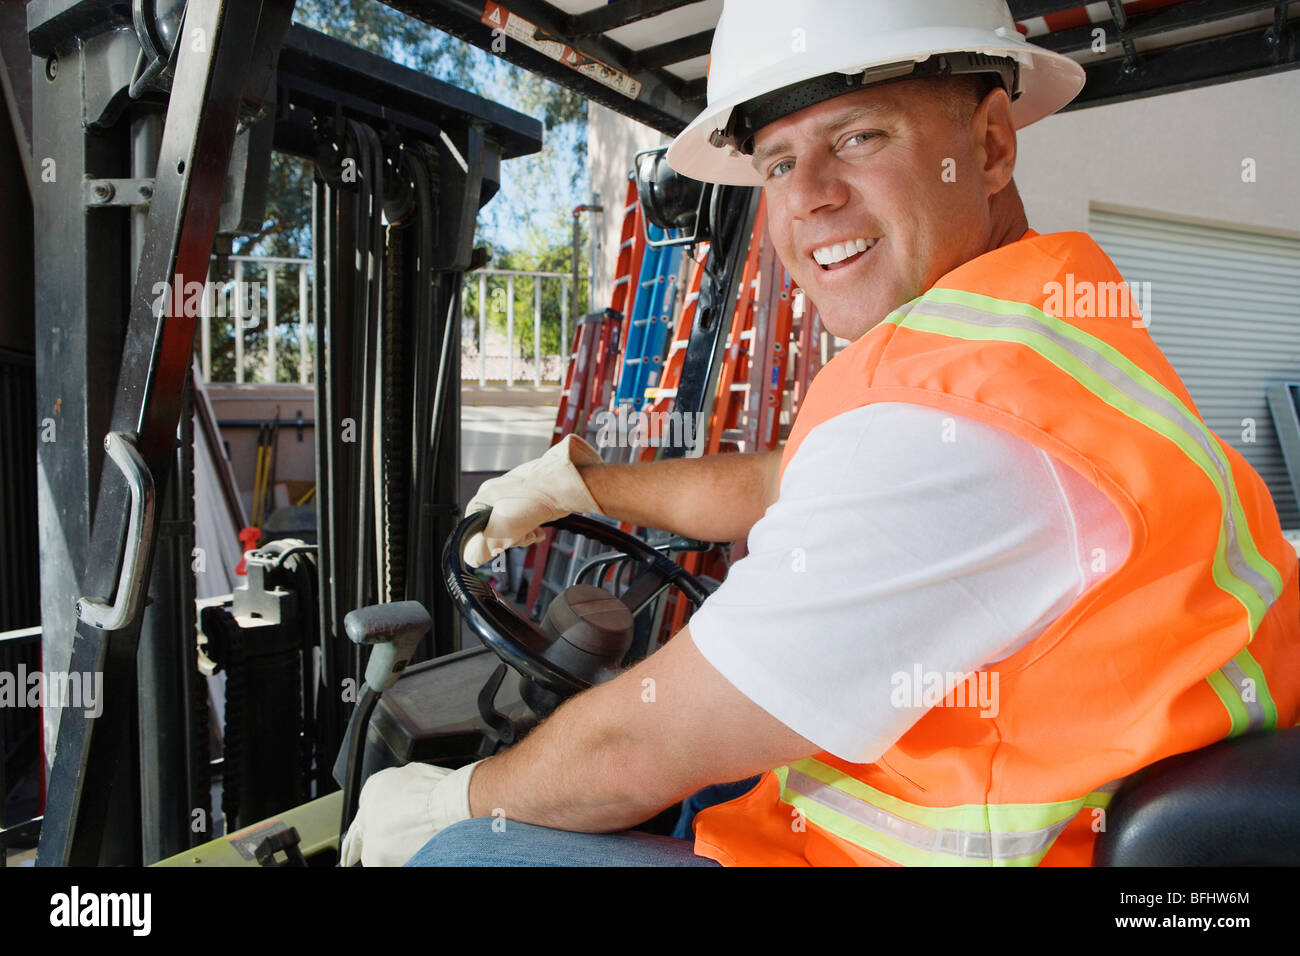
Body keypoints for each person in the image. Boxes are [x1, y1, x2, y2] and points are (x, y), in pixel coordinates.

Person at [342, 0, 1300, 867]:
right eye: (777, 163)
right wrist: (582, 487)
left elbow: (637, 747)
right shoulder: (1012, 344)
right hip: (999, 804)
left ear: (993, 146)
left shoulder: (948, 434)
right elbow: (782, 482)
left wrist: (451, 797)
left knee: (474, 852)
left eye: (858, 136)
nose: (808, 197)